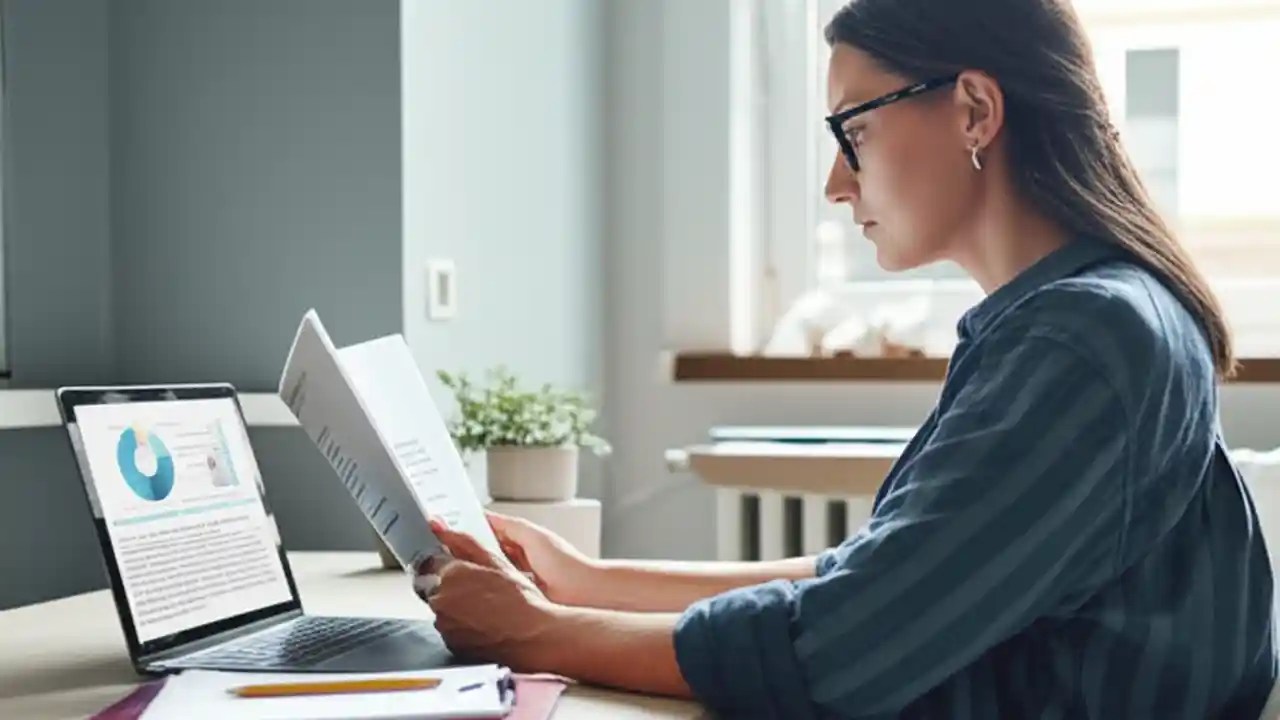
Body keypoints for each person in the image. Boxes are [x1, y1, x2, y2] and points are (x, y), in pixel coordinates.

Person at [417, 0, 1279, 716]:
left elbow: (837, 645)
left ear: (975, 109)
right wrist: (587, 581)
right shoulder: (1074, 321)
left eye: (853, 130)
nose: (837, 182)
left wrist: (536, 634)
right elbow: (873, 580)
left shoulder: (1084, 342)